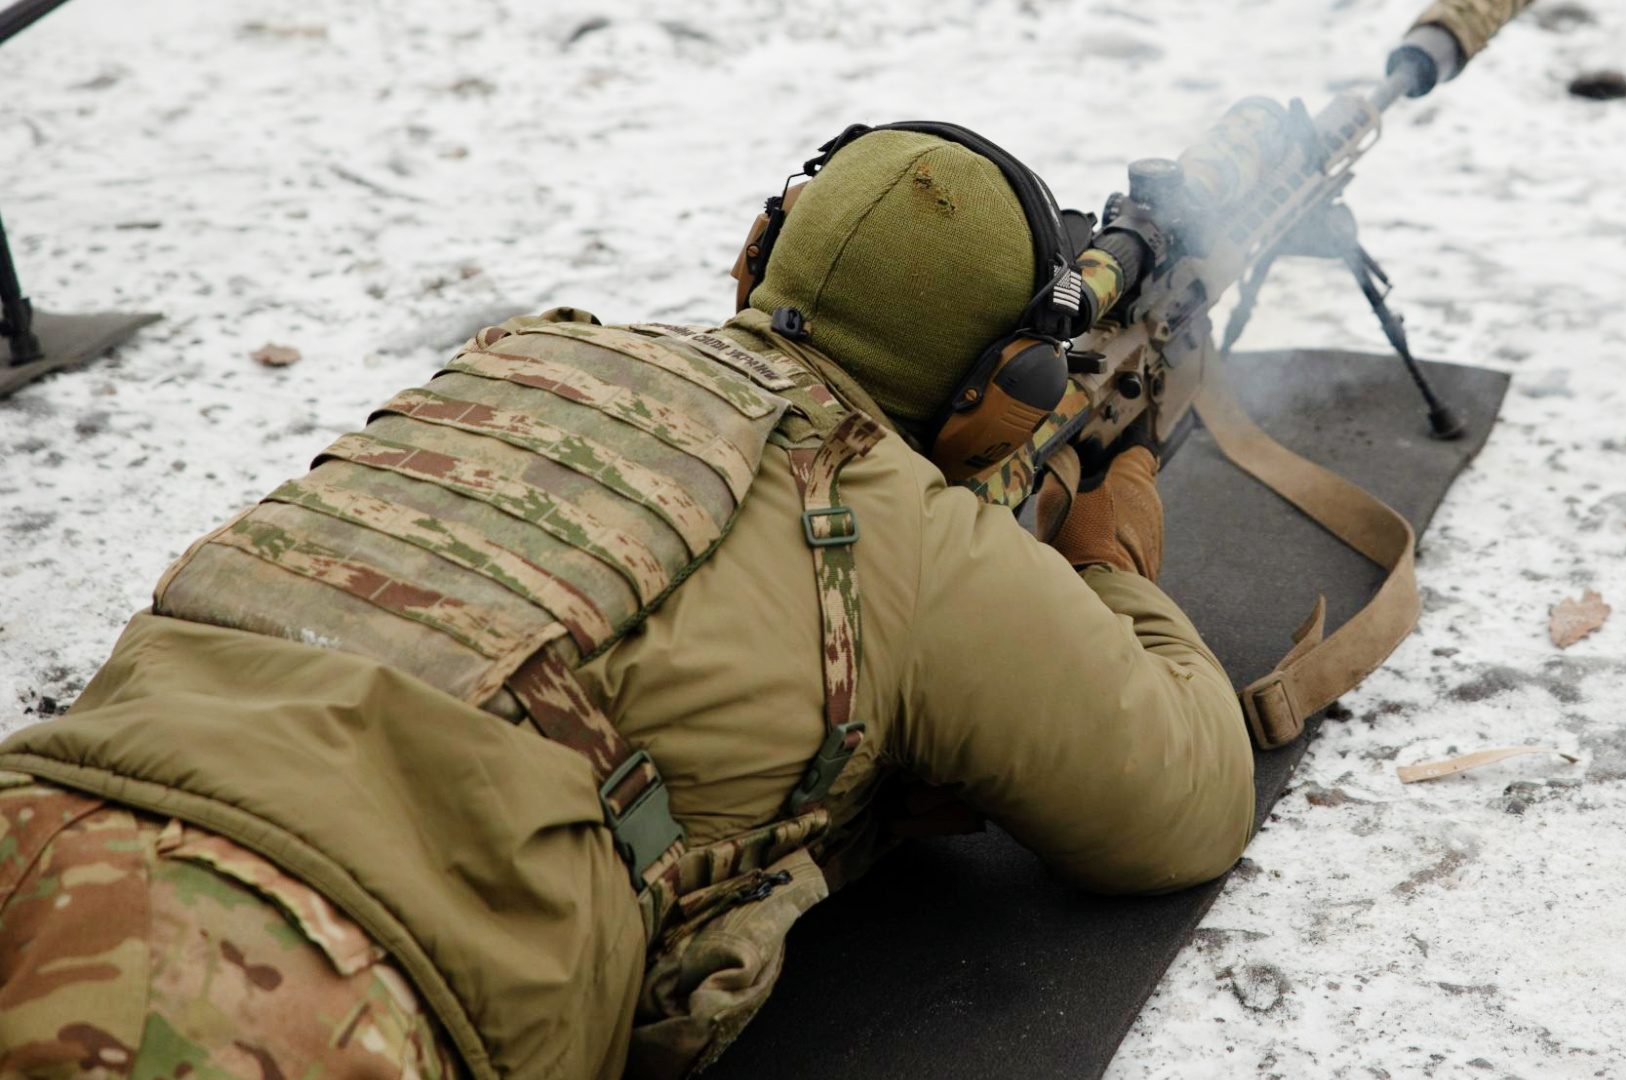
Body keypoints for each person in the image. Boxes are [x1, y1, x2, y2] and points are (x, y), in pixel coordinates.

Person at [0, 122, 1254, 1080]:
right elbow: (1180, 806)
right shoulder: (919, 541)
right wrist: (1108, 560)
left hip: (42, 809)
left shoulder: (533, 352)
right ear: (1001, 387)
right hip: (306, 971)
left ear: (759, 256)